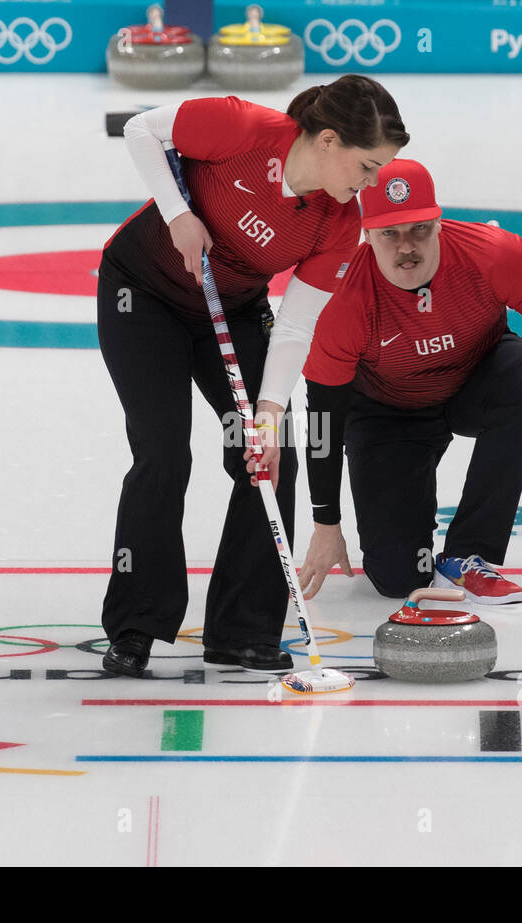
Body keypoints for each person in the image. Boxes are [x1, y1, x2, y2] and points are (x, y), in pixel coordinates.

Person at [97, 76, 409, 677]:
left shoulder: (339, 221)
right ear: (327, 141)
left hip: (232, 307)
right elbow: (141, 129)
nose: (371, 183)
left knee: (272, 454)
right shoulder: (243, 127)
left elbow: (294, 326)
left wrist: (267, 410)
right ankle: (137, 622)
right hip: (142, 293)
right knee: (163, 455)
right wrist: (179, 214)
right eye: (367, 166)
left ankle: (242, 628)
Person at [283, 158, 522, 605]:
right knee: (400, 579)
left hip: (472, 382)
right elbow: (322, 414)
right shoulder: (340, 299)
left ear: (439, 222)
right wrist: (326, 523)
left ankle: (469, 554)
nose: (406, 247)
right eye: (389, 233)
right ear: (366, 233)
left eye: (419, 228)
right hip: (388, 413)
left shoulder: (495, 254)